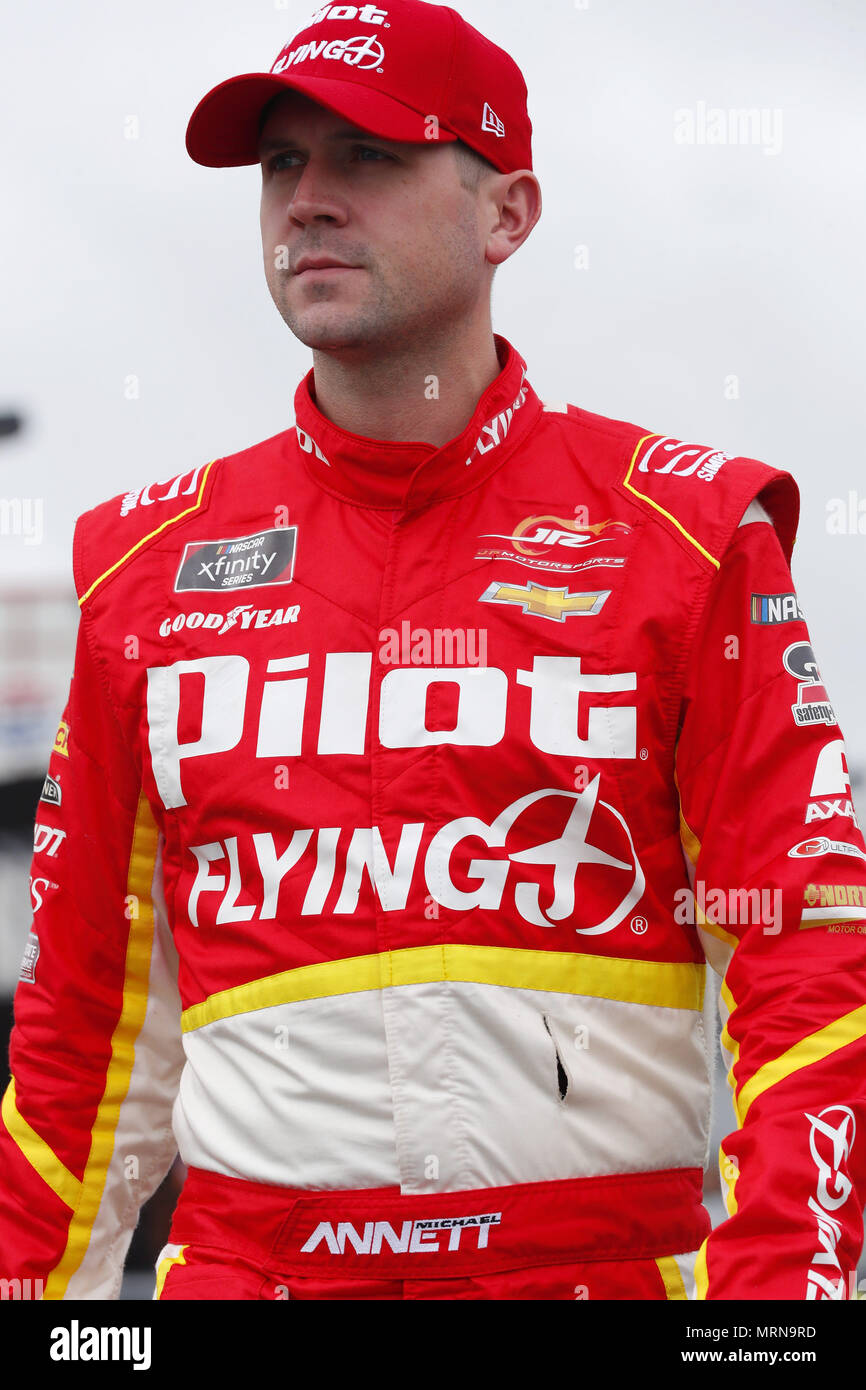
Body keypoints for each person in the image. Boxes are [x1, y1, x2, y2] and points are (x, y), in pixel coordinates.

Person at [2, 0, 865, 1303]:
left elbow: (806, 956)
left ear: (507, 212)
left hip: (593, 1276)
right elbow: (84, 1038)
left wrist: (774, 1312)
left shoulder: (685, 533)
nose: (307, 202)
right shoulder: (144, 568)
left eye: (369, 158)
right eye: (283, 164)